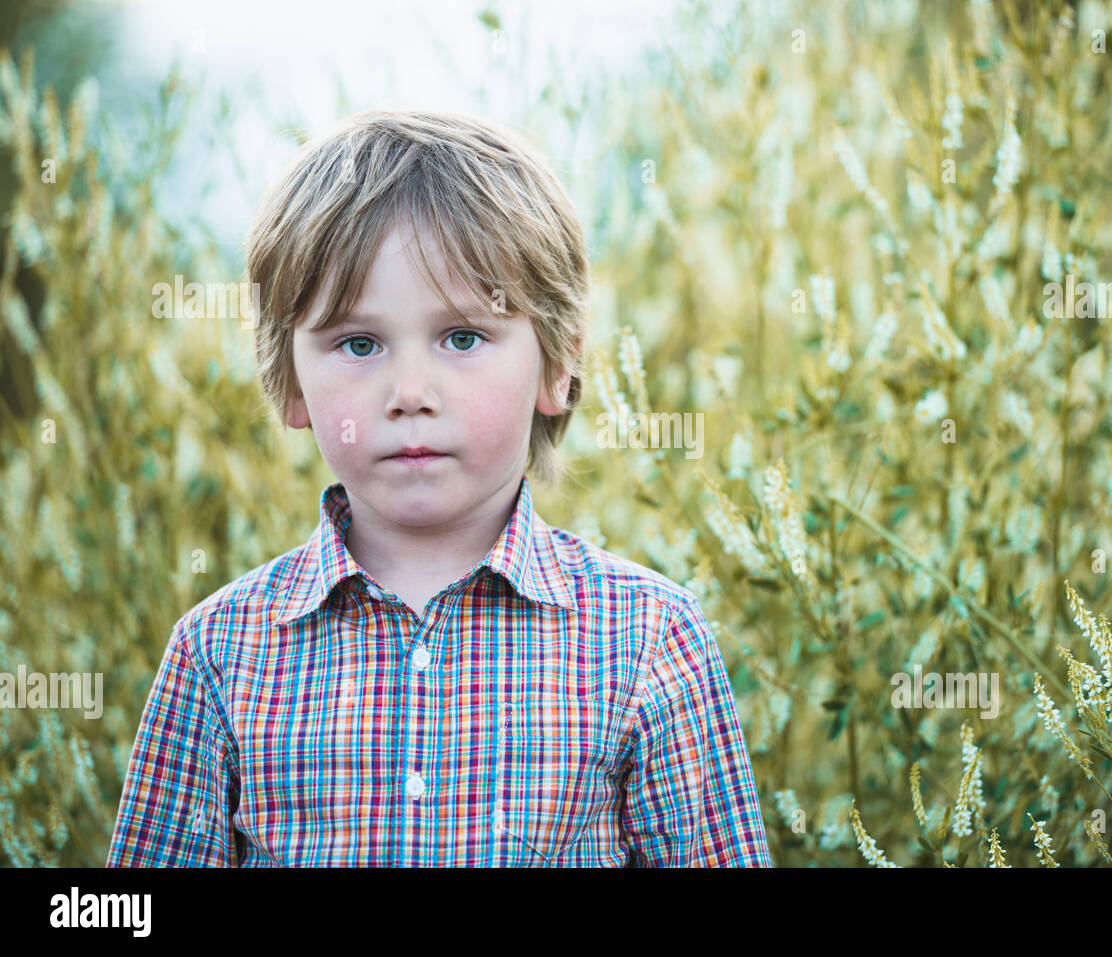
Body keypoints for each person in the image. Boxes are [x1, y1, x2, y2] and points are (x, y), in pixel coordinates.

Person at [106, 109, 772, 867]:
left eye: (463, 337)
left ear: (557, 365)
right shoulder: (219, 654)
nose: (410, 391)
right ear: (290, 382)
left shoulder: (648, 637)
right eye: (358, 343)